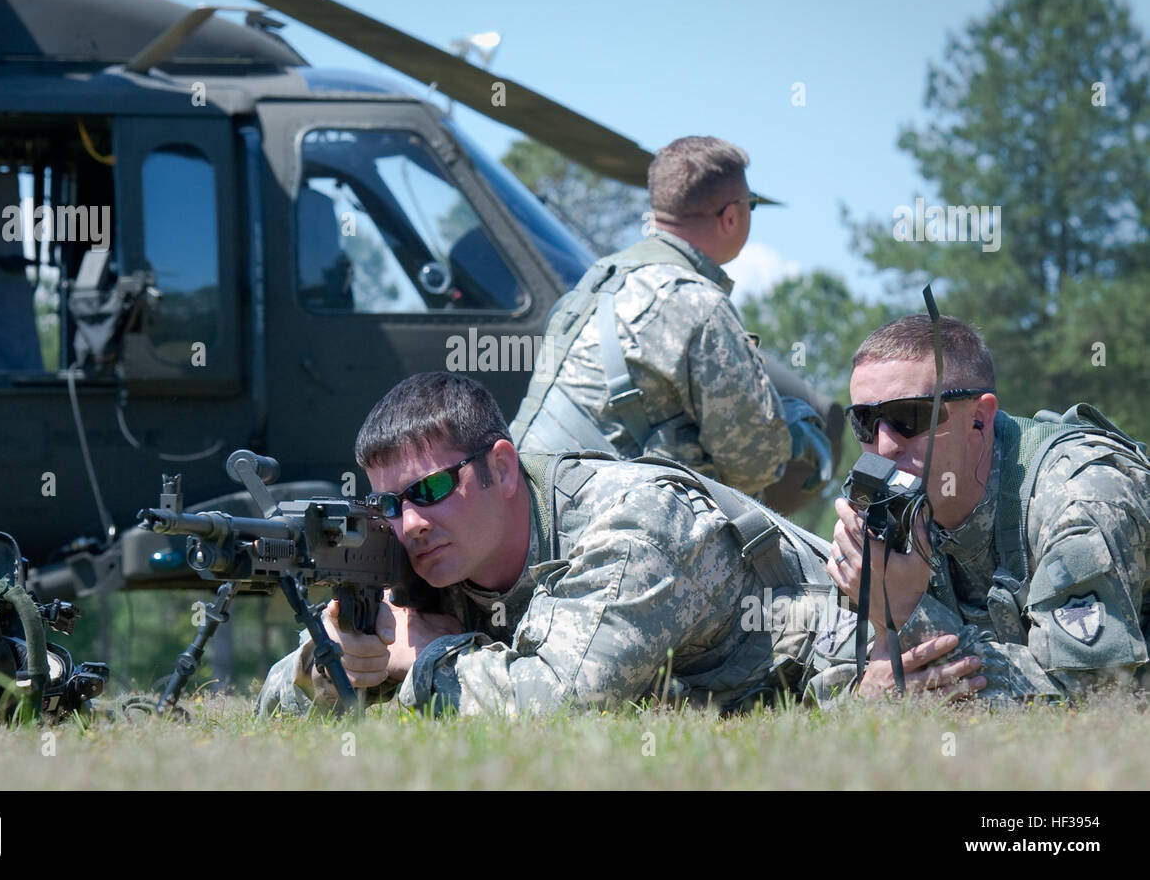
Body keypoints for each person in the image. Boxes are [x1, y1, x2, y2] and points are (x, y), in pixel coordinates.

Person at [259, 371, 858, 716]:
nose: (409, 522)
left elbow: (560, 703)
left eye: (432, 488)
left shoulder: (632, 522)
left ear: (502, 467)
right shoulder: (428, 548)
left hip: (855, 660)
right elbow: (273, 702)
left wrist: (423, 658)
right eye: (388, 504)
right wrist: (330, 665)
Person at [827, 315, 1150, 699]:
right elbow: (832, 675)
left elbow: (1096, 689)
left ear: (978, 419)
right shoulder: (889, 504)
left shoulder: (1075, 496)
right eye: (865, 421)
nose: (884, 446)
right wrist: (866, 689)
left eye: (909, 417)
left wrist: (907, 614)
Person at [509, 135, 831, 499]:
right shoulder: (698, 304)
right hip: (594, 519)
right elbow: (753, 464)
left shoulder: (595, 283)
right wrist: (790, 430)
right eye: (751, 203)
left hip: (529, 500)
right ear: (730, 217)